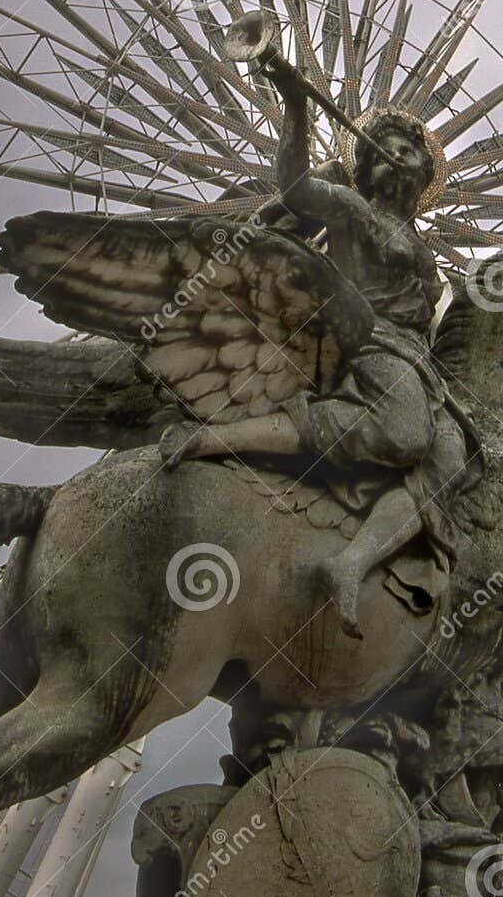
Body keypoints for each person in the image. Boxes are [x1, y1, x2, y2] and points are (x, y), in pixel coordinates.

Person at [161, 55, 477, 637]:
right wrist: (298, 104)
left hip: (416, 361)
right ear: (367, 166)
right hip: (370, 343)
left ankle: (351, 560)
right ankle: (213, 439)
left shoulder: (415, 240)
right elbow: (296, 188)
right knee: (407, 433)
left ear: (422, 175)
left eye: (410, 152)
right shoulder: (355, 209)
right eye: (386, 148)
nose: (398, 157)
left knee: (454, 457)